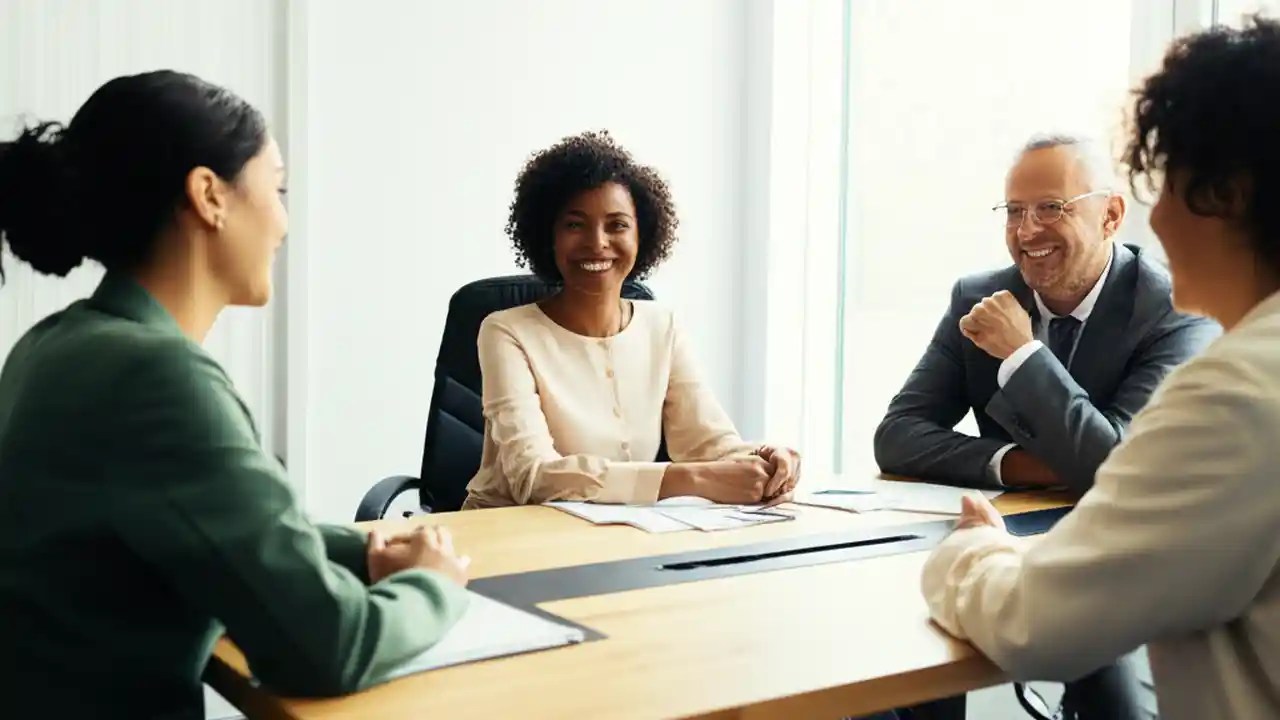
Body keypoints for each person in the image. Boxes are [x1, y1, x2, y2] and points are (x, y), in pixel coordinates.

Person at [0, 71, 471, 719]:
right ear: (208, 196)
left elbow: (216, 524)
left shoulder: (54, 344)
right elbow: (328, 646)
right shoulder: (157, 378)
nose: (282, 221)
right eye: (276, 188)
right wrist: (433, 586)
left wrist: (360, 548)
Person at [921, 18, 1280, 720]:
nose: (1159, 218)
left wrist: (971, 553)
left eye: (1165, 182)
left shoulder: (1235, 393)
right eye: (1015, 212)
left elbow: (1038, 623)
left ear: (1227, 193)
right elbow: (899, 430)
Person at [462, 131, 800, 510]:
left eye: (617, 225)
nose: (597, 242)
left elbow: (706, 442)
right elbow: (534, 476)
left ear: (643, 235)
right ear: (548, 236)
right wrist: (689, 478)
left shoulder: (662, 326)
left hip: (615, 534)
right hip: (508, 533)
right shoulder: (506, 331)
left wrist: (763, 460)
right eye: (575, 225)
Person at [874, 136, 1217, 497]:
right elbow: (896, 436)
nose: (1026, 231)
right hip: (1012, 528)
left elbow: (1116, 465)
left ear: (1110, 216)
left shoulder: (1174, 310)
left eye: (1051, 207)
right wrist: (1024, 466)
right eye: (1014, 211)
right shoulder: (978, 300)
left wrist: (1022, 355)